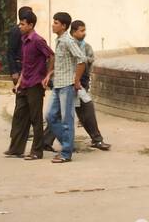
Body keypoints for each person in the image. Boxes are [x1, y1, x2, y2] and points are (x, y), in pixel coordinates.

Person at [41, 20, 111, 152]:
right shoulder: (66, 43)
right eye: (81, 30)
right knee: (58, 115)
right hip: (69, 84)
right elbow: (63, 62)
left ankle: (96, 139)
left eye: (84, 30)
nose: (83, 33)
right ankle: (52, 142)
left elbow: (86, 62)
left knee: (83, 112)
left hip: (79, 85)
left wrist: (79, 80)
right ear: (73, 32)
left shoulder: (85, 46)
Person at [6, 7, 53, 159]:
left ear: (31, 25)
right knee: (20, 115)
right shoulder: (24, 40)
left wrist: (48, 75)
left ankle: (37, 151)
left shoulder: (38, 40)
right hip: (24, 83)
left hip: (35, 84)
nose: (20, 26)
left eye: (23, 24)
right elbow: (26, 65)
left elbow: (51, 56)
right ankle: (16, 148)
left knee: (35, 118)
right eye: (20, 24)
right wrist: (18, 82)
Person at [45, 12, 87, 164]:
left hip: (67, 86)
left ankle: (66, 153)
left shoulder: (68, 41)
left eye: (56, 22)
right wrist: (49, 73)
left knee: (66, 119)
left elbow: (82, 60)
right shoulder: (59, 40)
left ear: (63, 26)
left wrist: (76, 80)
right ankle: (67, 144)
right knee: (49, 116)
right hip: (58, 84)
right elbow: (61, 62)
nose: (53, 25)